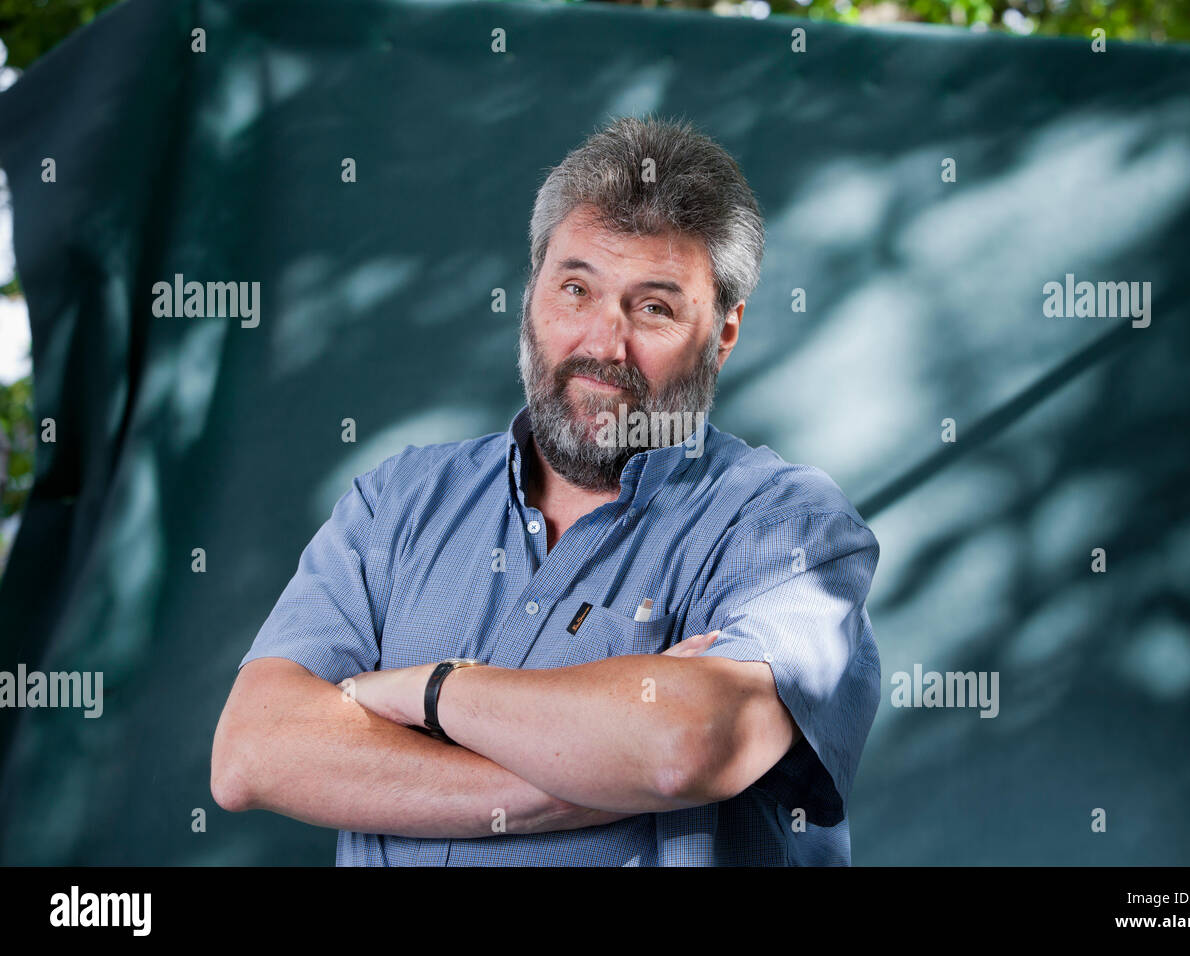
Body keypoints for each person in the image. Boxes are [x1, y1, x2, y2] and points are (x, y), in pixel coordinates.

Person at [211, 114, 882, 866]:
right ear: (531, 294)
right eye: (576, 289)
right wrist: (579, 775)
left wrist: (426, 693)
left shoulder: (788, 528)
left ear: (723, 334)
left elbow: (687, 744)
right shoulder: (395, 503)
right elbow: (252, 750)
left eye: (654, 307)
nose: (603, 343)